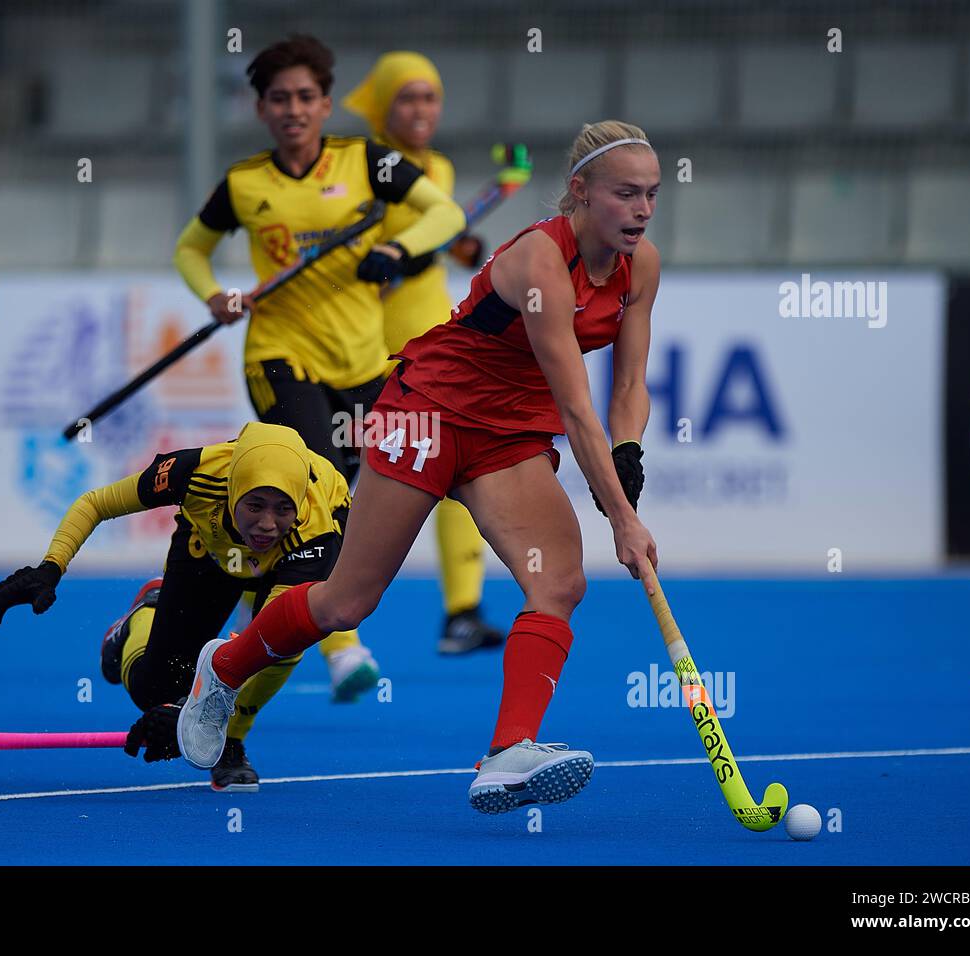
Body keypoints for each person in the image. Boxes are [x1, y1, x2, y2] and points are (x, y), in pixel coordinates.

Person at [171, 121, 663, 814]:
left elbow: (627, 388)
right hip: (427, 412)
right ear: (580, 191)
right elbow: (578, 407)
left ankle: (507, 752)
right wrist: (623, 518)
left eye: (651, 195)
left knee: (558, 583)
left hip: (505, 436)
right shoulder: (539, 264)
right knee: (346, 600)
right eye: (625, 194)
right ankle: (221, 670)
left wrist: (629, 453)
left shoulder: (641, 266)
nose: (642, 210)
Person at [172, 34, 466, 692]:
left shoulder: (367, 163)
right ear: (261, 110)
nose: (294, 110)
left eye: (306, 97)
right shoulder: (246, 185)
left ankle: (255, 603)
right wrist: (214, 295)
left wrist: (397, 252)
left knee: (337, 509)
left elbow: (444, 214)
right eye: (280, 99)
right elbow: (190, 250)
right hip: (280, 357)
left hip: (362, 365)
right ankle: (344, 649)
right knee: (319, 484)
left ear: (327, 104)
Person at [0, 422, 366, 791]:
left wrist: (195, 715)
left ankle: (230, 742)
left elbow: (262, 643)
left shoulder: (321, 527)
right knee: (155, 692)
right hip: (206, 554)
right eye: (255, 505)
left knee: (282, 647)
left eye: (283, 508)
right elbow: (96, 503)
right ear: (233, 488)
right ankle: (141, 617)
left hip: (286, 565)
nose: (267, 524)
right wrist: (51, 567)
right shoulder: (193, 471)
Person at [343, 51, 504, 656]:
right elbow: (367, 258)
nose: (420, 110)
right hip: (364, 343)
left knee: (456, 471)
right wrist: (400, 254)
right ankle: (315, 616)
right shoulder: (361, 170)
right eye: (406, 98)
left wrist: (456, 247)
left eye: (429, 97)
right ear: (383, 105)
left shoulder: (437, 166)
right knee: (341, 479)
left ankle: (462, 612)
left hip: (433, 342)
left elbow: (428, 242)